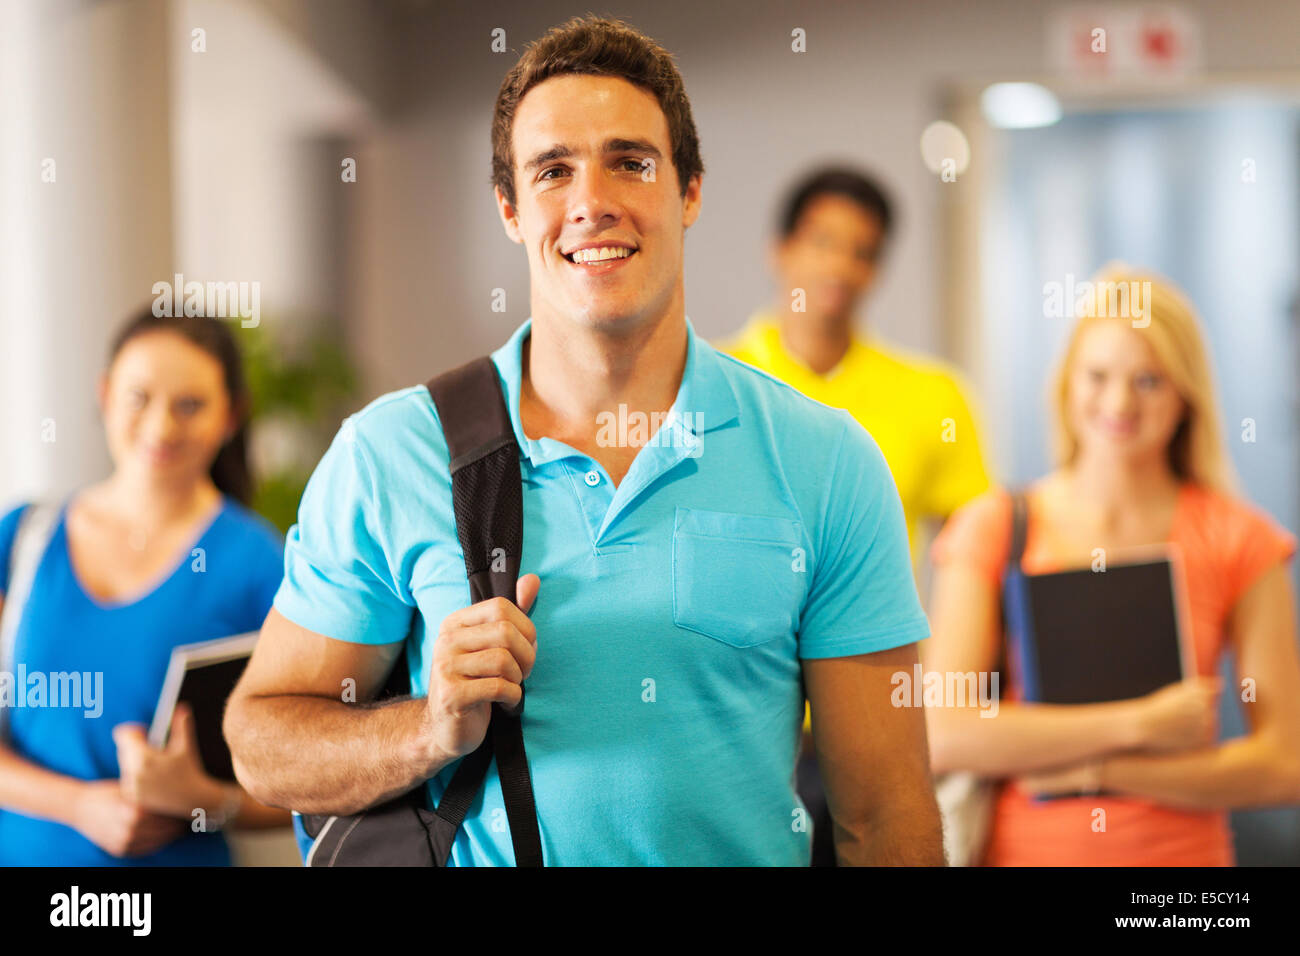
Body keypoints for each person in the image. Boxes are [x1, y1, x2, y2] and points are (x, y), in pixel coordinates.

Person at [225, 15, 945, 866]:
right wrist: (430, 727)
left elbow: (887, 818)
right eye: (553, 170)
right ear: (510, 208)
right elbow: (262, 744)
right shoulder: (393, 453)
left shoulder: (824, 463)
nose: (591, 201)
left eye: (630, 162)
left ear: (690, 192)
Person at [925, 265, 1300, 865]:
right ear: (1067, 384)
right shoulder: (994, 526)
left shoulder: (1241, 538)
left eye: (1149, 380)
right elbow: (942, 731)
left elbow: (1285, 764)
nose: (1119, 402)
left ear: (1185, 396)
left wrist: (1094, 769)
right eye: (1098, 376)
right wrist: (1140, 724)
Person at [719, 166, 993, 864]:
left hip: (876, 721)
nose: (841, 265)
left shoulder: (933, 397)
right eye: (823, 242)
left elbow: (984, 562)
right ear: (779, 249)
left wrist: (949, 690)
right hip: (739, 727)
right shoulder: (705, 389)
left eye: (863, 250)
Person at [0, 308, 290, 865]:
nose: (161, 427)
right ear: (106, 395)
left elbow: (314, 775)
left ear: (232, 416)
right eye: (139, 397)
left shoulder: (260, 565)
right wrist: (79, 805)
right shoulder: (23, 540)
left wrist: (205, 801)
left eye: (190, 405)